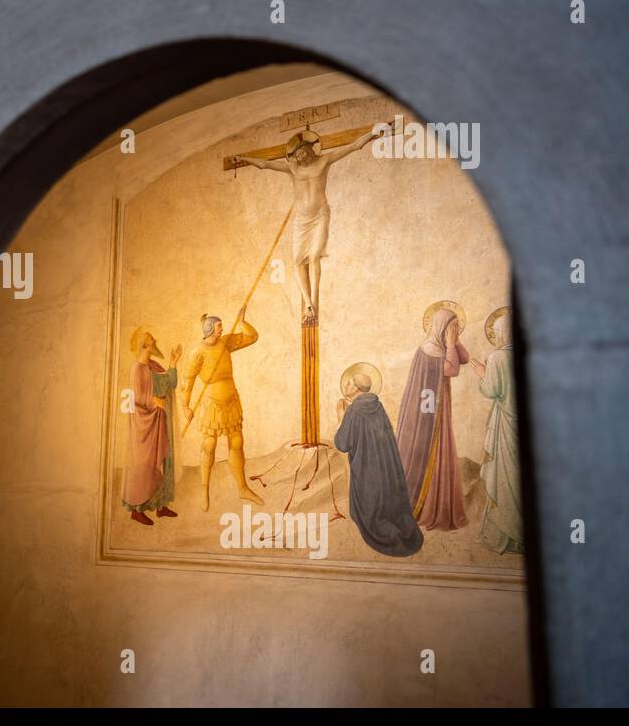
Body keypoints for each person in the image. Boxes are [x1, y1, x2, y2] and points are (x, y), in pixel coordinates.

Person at [236, 123, 389, 320]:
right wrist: (242, 159)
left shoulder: (325, 160)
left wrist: (374, 133)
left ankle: (314, 301)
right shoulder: (291, 168)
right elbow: (265, 164)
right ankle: (307, 303)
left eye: (303, 153)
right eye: (297, 155)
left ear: (309, 149)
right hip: (302, 220)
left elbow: (354, 146)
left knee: (314, 255)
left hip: (319, 215)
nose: (300, 157)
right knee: (297, 260)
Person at [181, 308, 263, 511]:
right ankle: (204, 490)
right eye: (218, 327)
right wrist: (185, 406)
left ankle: (242, 488)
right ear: (209, 329)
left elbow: (252, 337)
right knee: (209, 445)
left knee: (237, 442)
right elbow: (187, 380)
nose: (222, 329)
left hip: (231, 400)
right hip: (212, 404)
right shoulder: (197, 352)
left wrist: (242, 321)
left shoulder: (225, 342)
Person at [334, 372, 424, 556]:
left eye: (349, 384)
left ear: (357, 389)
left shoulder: (353, 410)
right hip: (385, 468)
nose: (346, 387)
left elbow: (342, 443)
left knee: (372, 512)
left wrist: (341, 415)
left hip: (366, 468)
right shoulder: (378, 405)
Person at [396, 306, 470, 531]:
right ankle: (425, 506)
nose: (454, 331)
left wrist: (454, 341)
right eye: (451, 327)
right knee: (431, 455)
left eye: (456, 327)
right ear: (441, 328)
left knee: (442, 454)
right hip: (428, 417)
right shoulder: (430, 350)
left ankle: (439, 504)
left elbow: (463, 359)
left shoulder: (439, 346)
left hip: (437, 412)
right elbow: (453, 370)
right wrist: (449, 343)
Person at [470, 312, 523, 553]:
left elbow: (491, 390)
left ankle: (509, 536)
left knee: (506, 479)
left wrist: (482, 373)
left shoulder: (499, 357)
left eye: (498, 332)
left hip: (505, 427)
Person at [123, 327, 182, 526]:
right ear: (144, 346)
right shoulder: (137, 369)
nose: (155, 340)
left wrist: (173, 363)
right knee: (145, 466)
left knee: (164, 462)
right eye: (151, 339)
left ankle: (161, 505)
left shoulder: (154, 366)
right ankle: (137, 510)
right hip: (145, 425)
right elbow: (135, 397)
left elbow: (169, 384)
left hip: (161, 422)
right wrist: (152, 401)